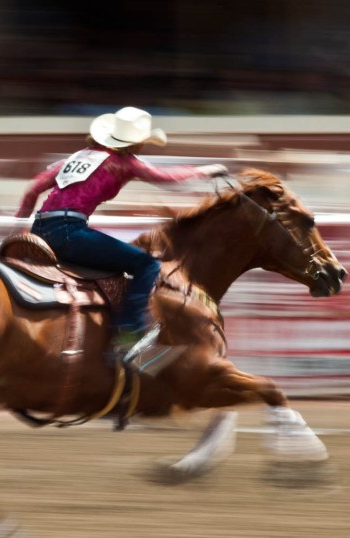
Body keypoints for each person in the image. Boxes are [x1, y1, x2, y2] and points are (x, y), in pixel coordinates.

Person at [15, 106, 226, 355]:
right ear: (136, 143)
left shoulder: (75, 158)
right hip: (70, 232)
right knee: (146, 264)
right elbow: (165, 178)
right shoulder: (125, 162)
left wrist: (18, 228)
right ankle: (128, 331)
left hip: (40, 229)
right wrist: (205, 171)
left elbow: (32, 190)